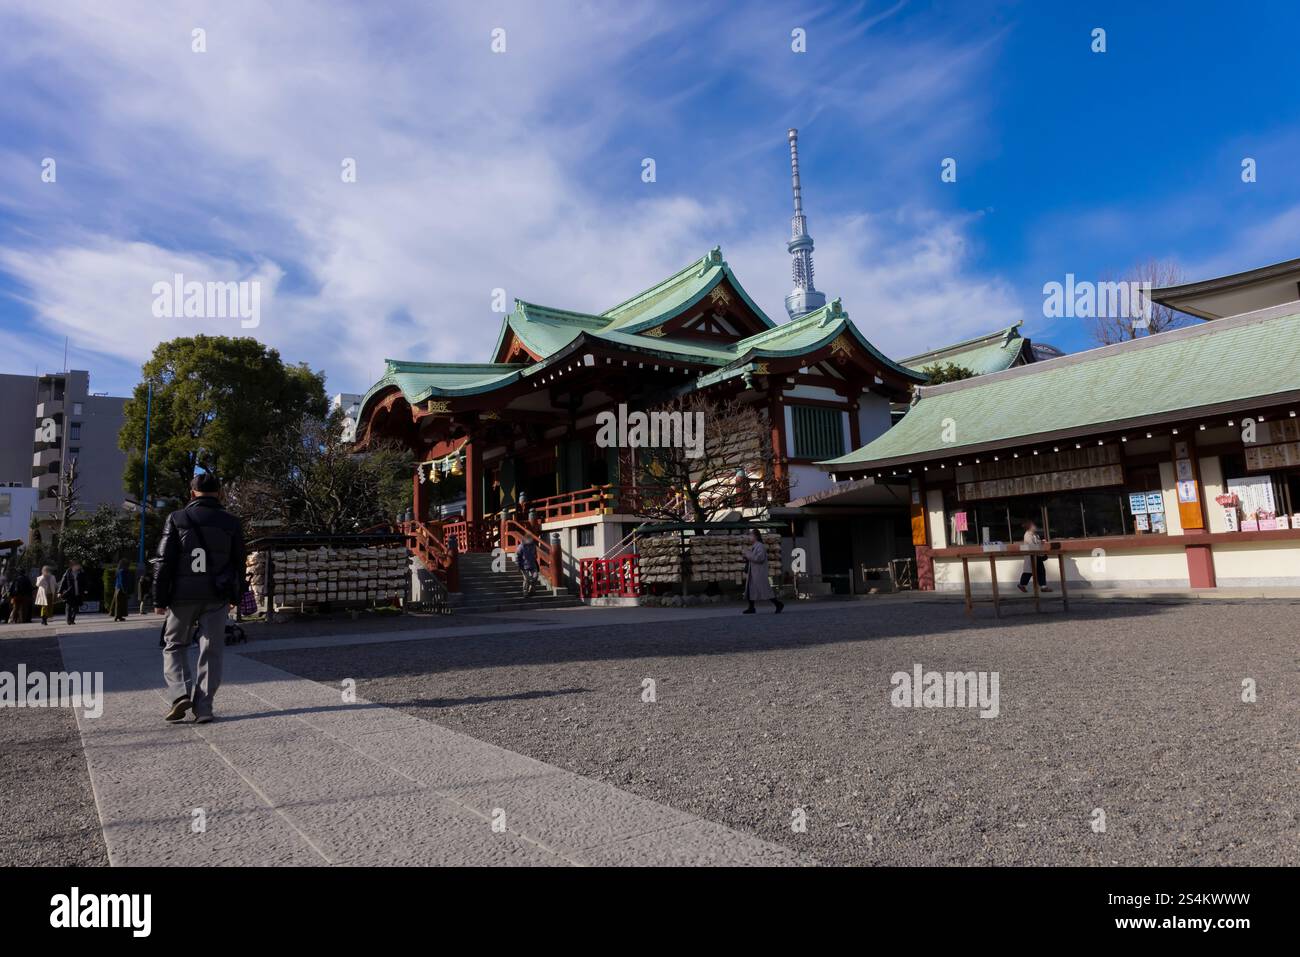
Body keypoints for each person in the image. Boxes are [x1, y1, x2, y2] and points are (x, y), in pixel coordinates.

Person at [154, 472, 247, 724]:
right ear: (219, 492)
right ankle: (204, 707)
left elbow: (164, 562)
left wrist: (159, 599)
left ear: (192, 492)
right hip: (216, 596)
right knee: (212, 650)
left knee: (174, 645)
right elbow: (239, 563)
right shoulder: (231, 522)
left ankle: (179, 694)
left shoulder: (177, 518)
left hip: (181, 596)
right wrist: (235, 596)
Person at [740, 528, 784, 614]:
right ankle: (751, 607)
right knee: (750, 590)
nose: (750, 537)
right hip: (754, 572)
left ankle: (778, 604)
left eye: (751, 535)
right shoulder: (755, 546)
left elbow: (759, 558)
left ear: (755, 536)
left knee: (765, 590)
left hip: (759, 573)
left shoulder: (760, 546)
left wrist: (748, 554)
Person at [1017, 519, 1052, 593]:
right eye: (1033, 525)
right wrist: (1040, 545)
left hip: (1037, 555)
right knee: (1029, 572)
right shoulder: (1027, 535)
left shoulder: (1036, 535)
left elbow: (1037, 544)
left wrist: (1041, 542)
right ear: (1030, 527)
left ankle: (1043, 586)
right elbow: (1031, 545)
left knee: (1041, 571)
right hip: (1031, 556)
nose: (1035, 527)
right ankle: (1022, 584)